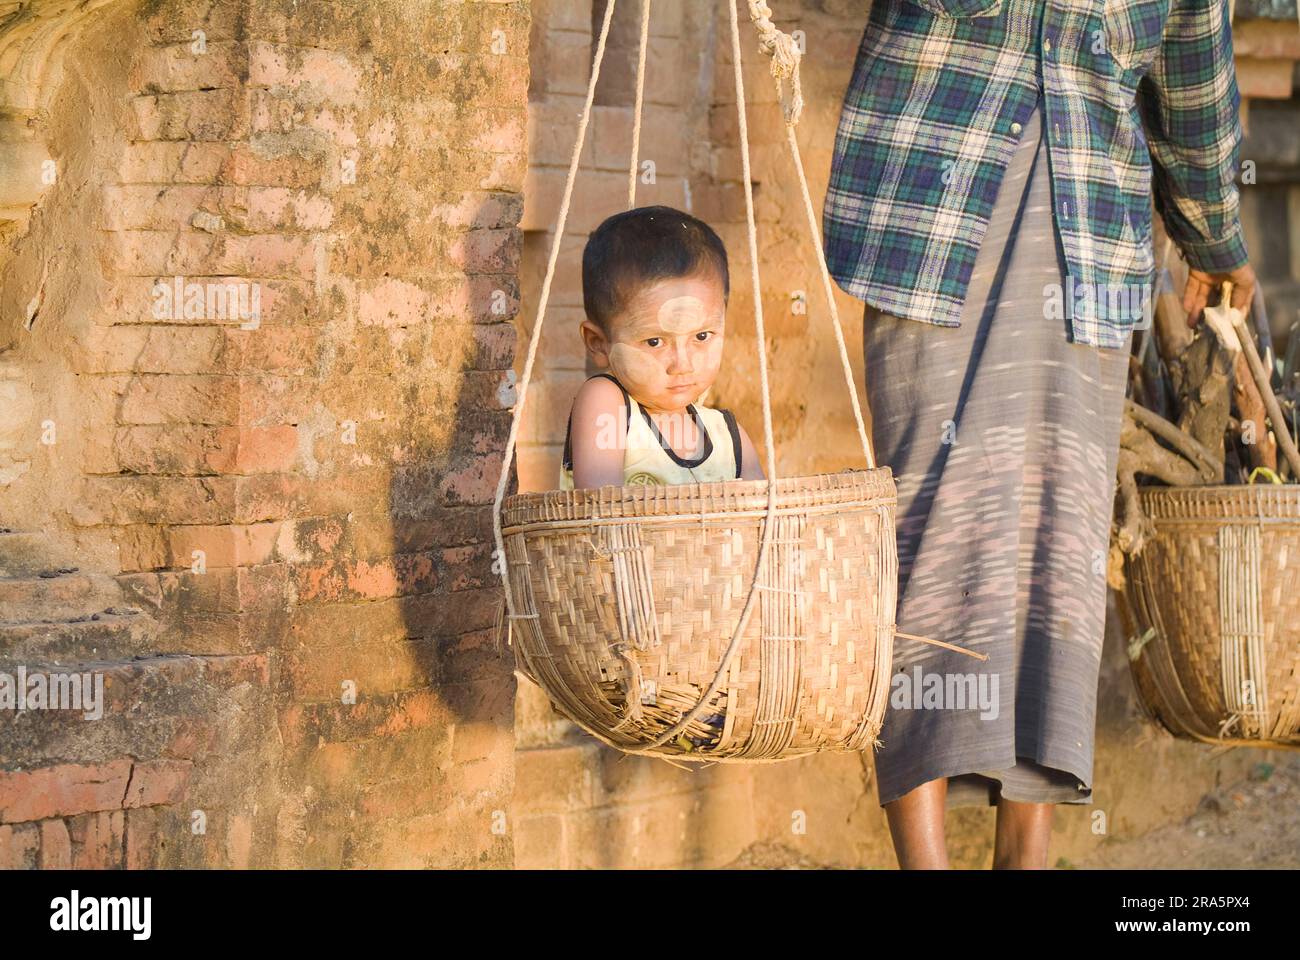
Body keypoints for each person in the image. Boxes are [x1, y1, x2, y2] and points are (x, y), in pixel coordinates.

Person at [822, 0, 1258, 869]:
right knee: (930, 537)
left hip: (1089, 232)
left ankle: (1026, 855)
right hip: (932, 213)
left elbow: (1193, 71)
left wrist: (1215, 234)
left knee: (1059, 542)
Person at [559, 205, 765, 493]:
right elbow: (603, 512)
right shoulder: (608, 403)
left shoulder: (728, 438)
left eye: (702, 336)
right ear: (598, 343)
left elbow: (762, 524)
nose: (682, 364)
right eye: (655, 342)